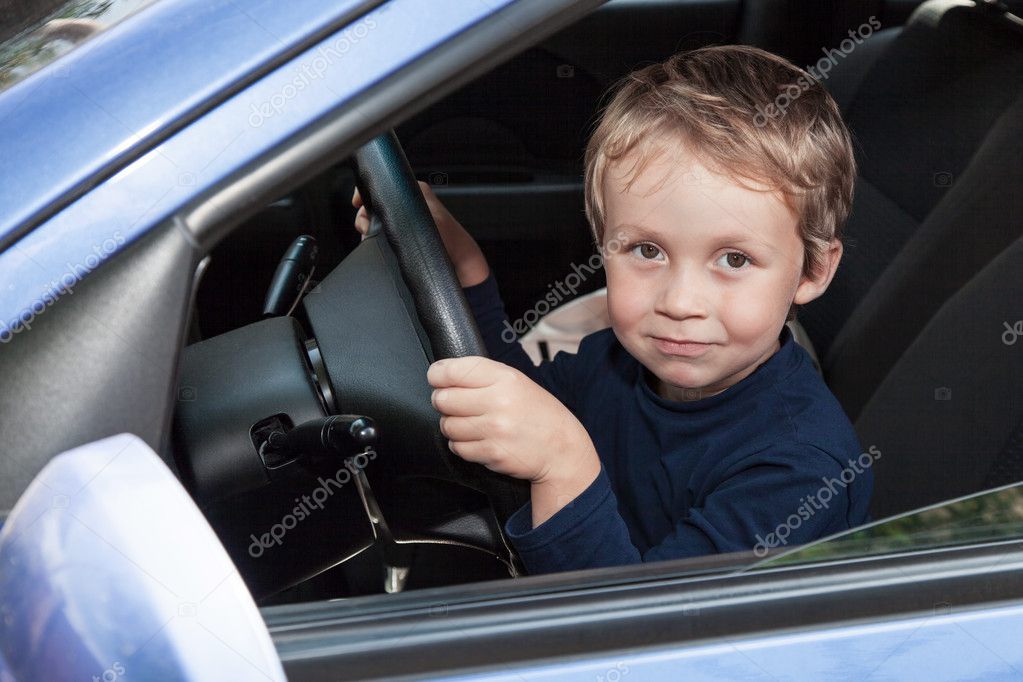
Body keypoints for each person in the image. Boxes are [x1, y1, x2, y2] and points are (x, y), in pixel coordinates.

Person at [354, 45, 873, 575]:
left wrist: (565, 466)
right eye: (647, 251)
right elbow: (521, 411)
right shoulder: (616, 363)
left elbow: (646, 639)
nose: (678, 303)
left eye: (734, 259)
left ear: (812, 271)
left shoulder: (801, 468)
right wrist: (466, 270)